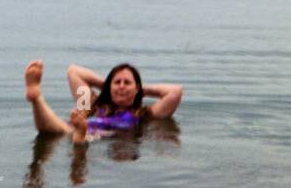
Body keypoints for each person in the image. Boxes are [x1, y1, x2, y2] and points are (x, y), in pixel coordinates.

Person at [24, 60, 182, 143]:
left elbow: (175, 92)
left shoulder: (145, 114)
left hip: (103, 136)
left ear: (137, 88)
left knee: (65, 130)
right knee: (73, 121)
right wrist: (107, 87)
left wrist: (139, 91)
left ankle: (38, 99)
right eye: (117, 82)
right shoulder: (91, 104)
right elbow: (74, 71)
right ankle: (36, 98)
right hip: (81, 126)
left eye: (126, 83)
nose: (121, 86)